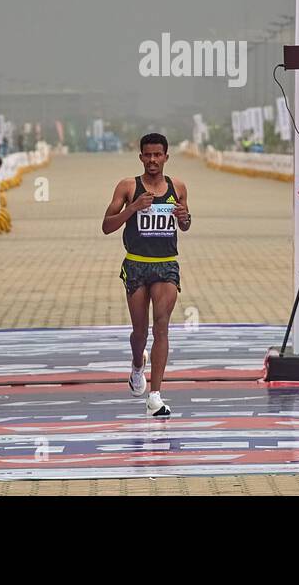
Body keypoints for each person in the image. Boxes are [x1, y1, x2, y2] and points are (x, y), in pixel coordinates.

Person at [101, 132, 190, 417]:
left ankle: (155, 396)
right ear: (140, 157)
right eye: (147, 155)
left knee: (161, 327)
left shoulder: (178, 186)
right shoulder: (128, 187)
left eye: (158, 155)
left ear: (166, 156)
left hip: (166, 264)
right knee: (140, 332)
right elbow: (106, 225)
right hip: (137, 264)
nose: (152, 160)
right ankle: (137, 364)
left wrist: (185, 218)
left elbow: (185, 224)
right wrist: (133, 209)